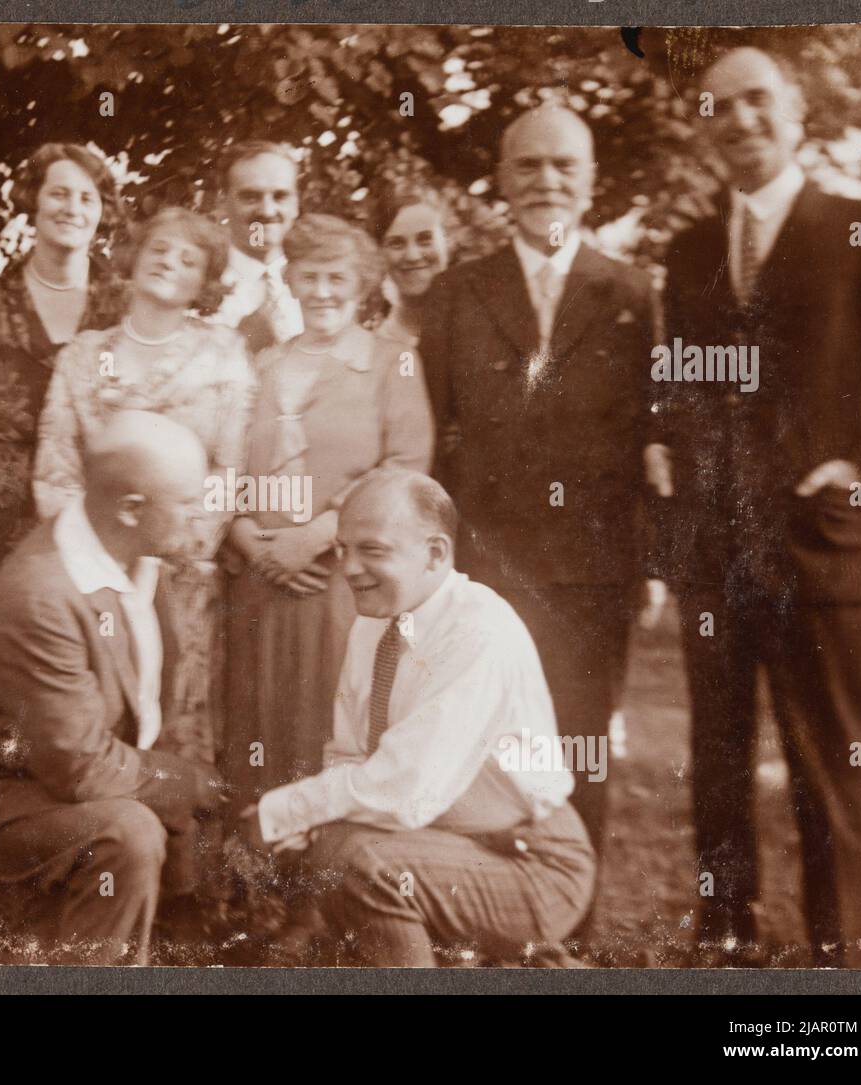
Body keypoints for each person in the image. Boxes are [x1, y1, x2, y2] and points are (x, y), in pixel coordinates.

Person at [653, 47, 861, 967]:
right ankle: (726, 926)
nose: (740, 120)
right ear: (705, 128)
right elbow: (680, 377)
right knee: (717, 751)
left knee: (832, 761)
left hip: (823, 542)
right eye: (721, 107)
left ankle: (846, 946)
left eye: (758, 101)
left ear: (796, 114)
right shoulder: (690, 247)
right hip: (717, 545)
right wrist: (664, 445)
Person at [419, 106, 662, 870]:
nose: (545, 181)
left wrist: (649, 561)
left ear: (590, 183)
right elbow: (431, 436)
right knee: (477, 742)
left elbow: (654, 440)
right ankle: (480, 911)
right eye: (528, 165)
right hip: (483, 566)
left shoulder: (632, 294)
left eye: (564, 166)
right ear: (502, 179)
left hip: (592, 569)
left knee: (580, 742)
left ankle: (570, 926)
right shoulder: (457, 292)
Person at [0, 412, 230, 966]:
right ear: (131, 509)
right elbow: (80, 767)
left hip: (55, 779)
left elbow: (142, 716)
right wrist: (196, 787)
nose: (204, 514)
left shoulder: (137, 559)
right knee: (126, 835)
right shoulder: (43, 593)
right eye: (187, 501)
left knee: (148, 829)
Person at [241, 468, 595, 967]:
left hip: (531, 863)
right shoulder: (377, 622)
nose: (350, 568)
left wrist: (280, 814)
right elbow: (350, 757)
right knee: (335, 847)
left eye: (374, 551)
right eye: (343, 548)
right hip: (444, 843)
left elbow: (407, 789)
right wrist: (304, 825)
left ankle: (513, 959)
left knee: (360, 863)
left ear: (435, 554)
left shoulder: (479, 631)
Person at [32, 207, 255, 768]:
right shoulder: (84, 355)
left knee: (180, 721)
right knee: (99, 711)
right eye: (159, 249)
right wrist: (91, 560)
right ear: (133, 259)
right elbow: (56, 468)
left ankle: (178, 846)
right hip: (94, 576)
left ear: (205, 284)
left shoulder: (225, 354)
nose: (169, 262)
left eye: (189, 259)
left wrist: (181, 545)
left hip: (182, 575)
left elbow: (229, 469)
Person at [222, 214, 434, 802]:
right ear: (289, 279)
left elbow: (406, 467)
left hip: (346, 578)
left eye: (336, 277)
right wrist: (250, 542)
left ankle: (325, 867)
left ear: (363, 284)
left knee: (335, 717)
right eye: (309, 276)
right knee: (257, 713)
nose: (321, 291)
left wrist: (319, 534)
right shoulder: (260, 365)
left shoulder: (394, 363)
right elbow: (227, 465)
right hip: (259, 579)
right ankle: (253, 863)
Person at [0, 142, 124, 653]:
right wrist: (0, 478)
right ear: (34, 203)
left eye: (87, 198)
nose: (73, 208)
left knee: (94, 649)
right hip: (7, 512)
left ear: (102, 211)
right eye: (59, 194)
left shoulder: (123, 304)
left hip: (101, 504)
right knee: (3, 652)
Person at [210, 141, 304, 352]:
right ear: (222, 203)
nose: (267, 211)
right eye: (250, 197)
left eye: (280, 196)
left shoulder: (321, 282)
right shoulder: (199, 284)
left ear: (296, 204)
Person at [372, 182, 452, 346]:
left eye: (425, 240)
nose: (413, 256)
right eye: (396, 243)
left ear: (448, 241)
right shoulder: (377, 348)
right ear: (380, 253)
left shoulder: (479, 326)